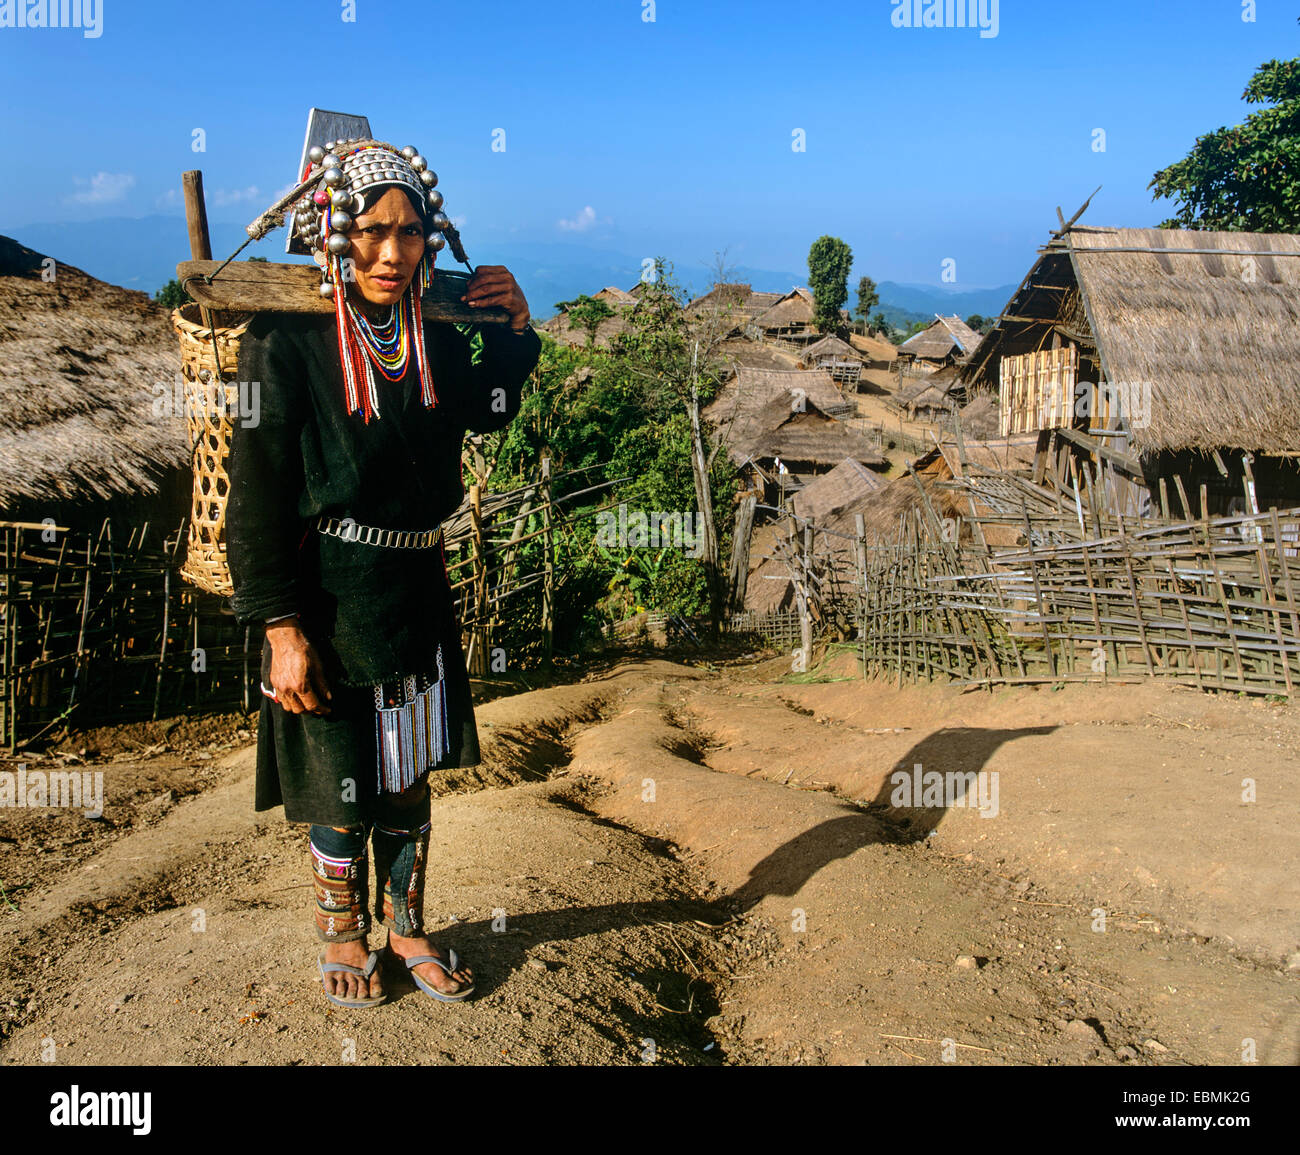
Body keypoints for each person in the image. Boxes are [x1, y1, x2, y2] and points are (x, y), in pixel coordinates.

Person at [226, 137, 540, 1008]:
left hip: (414, 589)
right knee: (337, 771)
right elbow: (253, 499)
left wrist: (514, 330)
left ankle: (408, 926)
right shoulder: (284, 344)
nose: (393, 253)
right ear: (332, 233)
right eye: (370, 232)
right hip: (324, 591)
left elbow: (491, 409)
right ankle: (343, 932)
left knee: (405, 771)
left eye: (410, 232)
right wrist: (281, 627)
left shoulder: (431, 335)